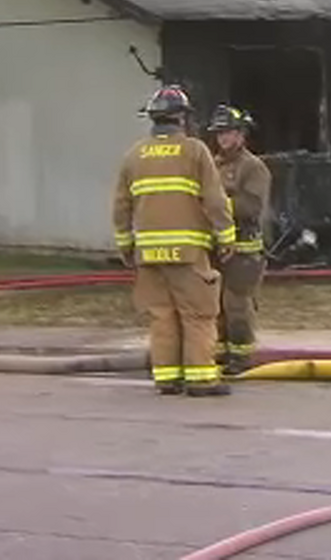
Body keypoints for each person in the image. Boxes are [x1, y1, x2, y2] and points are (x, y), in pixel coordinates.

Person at [113, 85, 238, 397]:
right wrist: (226, 236)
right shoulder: (194, 151)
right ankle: (200, 379)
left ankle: (167, 378)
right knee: (198, 314)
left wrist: (126, 246)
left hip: (148, 255)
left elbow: (121, 206)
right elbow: (214, 199)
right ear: (182, 118)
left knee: (162, 316)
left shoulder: (134, 155)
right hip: (188, 252)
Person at [206, 105, 272, 375]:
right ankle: (221, 353)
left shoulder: (253, 167)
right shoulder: (212, 165)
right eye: (220, 133)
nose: (223, 138)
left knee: (237, 305)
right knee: (216, 306)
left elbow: (250, 207)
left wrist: (217, 205)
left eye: (229, 132)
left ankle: (242, 358)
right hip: (216, 247)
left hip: (244, 251)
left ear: (241, 134)